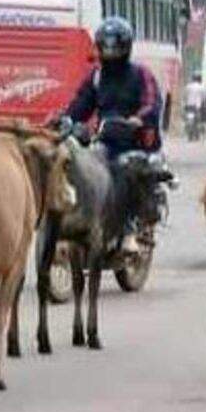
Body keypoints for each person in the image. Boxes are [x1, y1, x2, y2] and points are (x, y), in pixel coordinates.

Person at [64, 16, 163, 254]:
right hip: (104, 139)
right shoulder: (96, 77)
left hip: (135, 142)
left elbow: (152, 102)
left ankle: (129, 229)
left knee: (124, 170)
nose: (110, 52)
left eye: (115, 46)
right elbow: (79, 105)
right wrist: (66, 121)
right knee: (78, 163)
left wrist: (137, 120)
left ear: (126, 47)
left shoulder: (141, 75)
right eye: (105, 46)